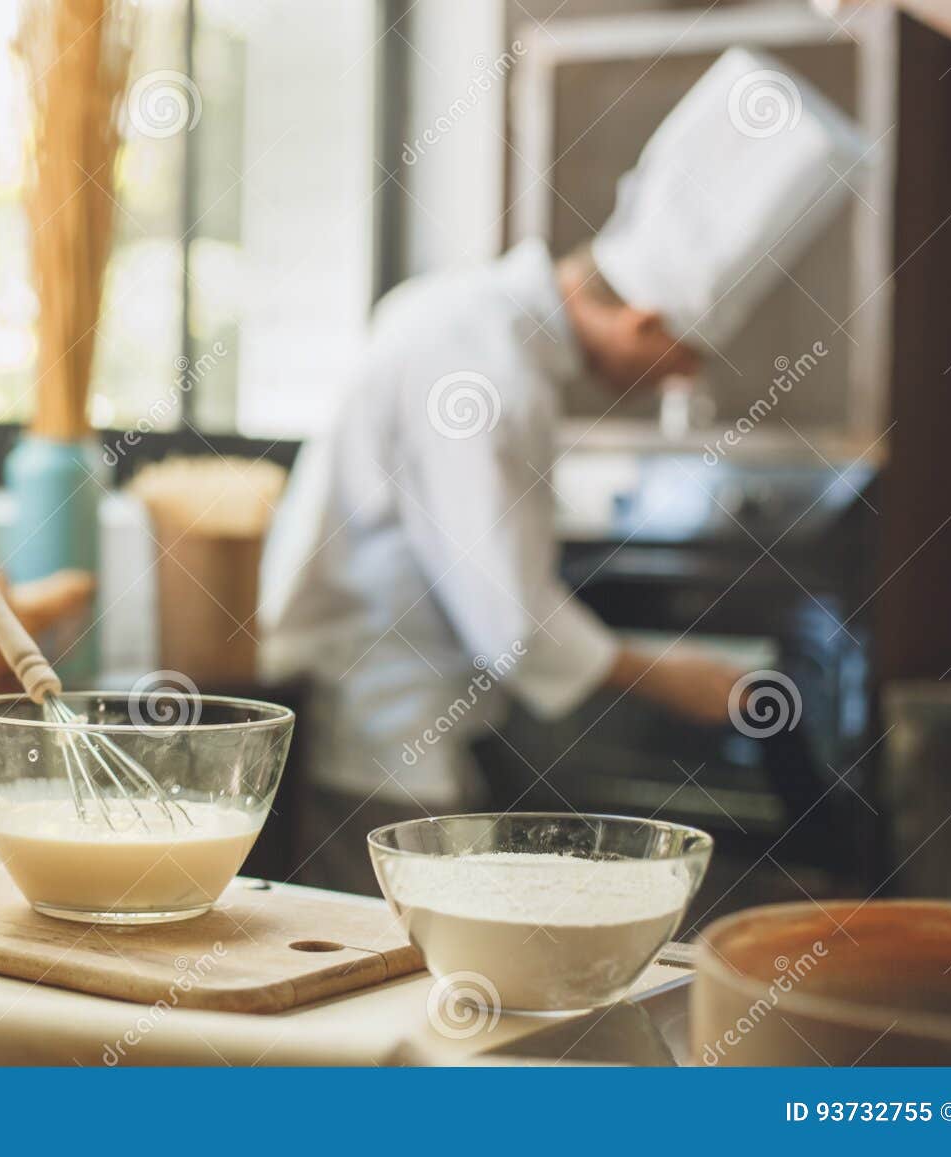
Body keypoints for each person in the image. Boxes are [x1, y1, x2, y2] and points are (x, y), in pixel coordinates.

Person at [259, 47, 865, 893]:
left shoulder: (476, 326)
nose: (678, 381)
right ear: (645, 318)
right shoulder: (482, 366)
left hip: (418, 738)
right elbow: (508, 618)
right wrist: (681, 678)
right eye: (683, 357)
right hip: (381, 745)